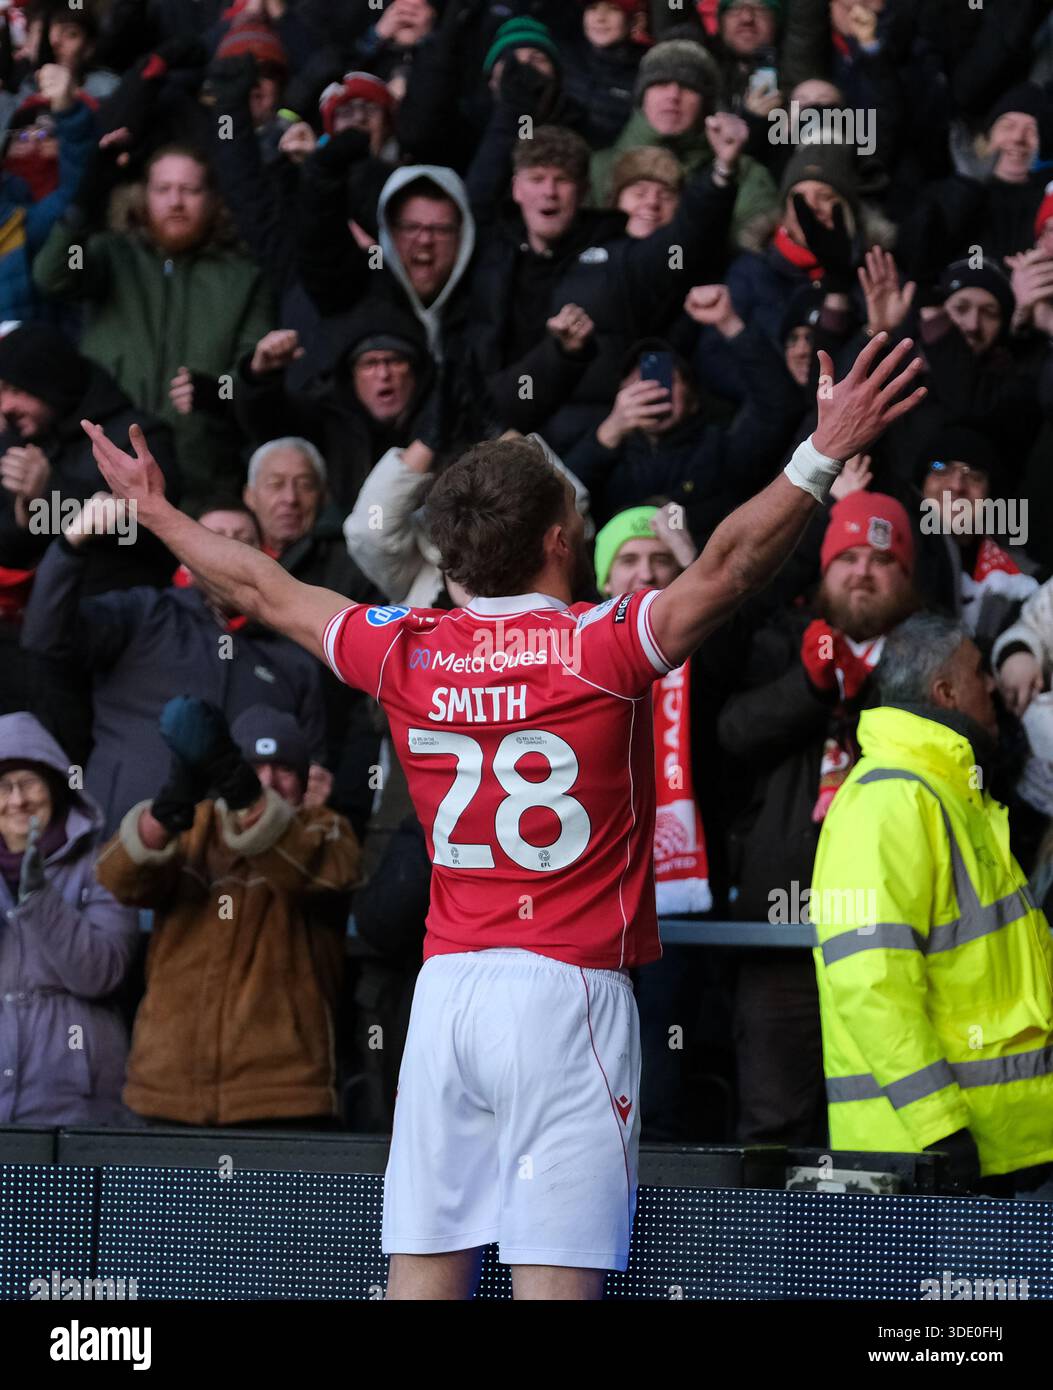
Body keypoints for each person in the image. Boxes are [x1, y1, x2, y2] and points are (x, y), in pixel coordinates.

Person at [79, 325, 926, 1298]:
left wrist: (158, 511)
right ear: (562, 538)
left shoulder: (405, 644)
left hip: (447, 997)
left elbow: (263, 587)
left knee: (422, 1283)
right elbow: (729, 565)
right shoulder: (602, 644)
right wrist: (821, 456)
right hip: (565, 994)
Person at [811, 612, 1053, 1197]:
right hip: (928, 1165)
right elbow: (873, 983)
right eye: (978, 672)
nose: (993, 685)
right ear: (944, 692)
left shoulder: (947, 793)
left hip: (994, 1150)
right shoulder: (890, 800)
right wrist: (940, 1132)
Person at [718, 490, 919, 1144]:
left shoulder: (934, 653)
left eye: (881, 558)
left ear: (907, 577)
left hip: (897, 936)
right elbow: (728, 738)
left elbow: (978, 752)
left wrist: (869, 702)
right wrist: (807, 689)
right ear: (823, 568)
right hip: (779, 927)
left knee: (896, 1137)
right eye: (847, 556)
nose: (861, 570)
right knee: (772, 1133)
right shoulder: (777, 638)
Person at [96, 699, 362, 1128]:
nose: (268, 780)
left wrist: (244, 792)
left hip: (284, 1097)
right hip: (165, 1092)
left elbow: (325, 873)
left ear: (302, 779)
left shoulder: (324, 828)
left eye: (284, 770)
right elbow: (117, 877)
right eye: (253, 766)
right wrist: (168, 807)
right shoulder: (196, 827)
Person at [21, 495, 326, 835]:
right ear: (184, 559)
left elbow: (312, 760)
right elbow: (45, 636)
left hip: (240, 867)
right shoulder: (144, 613)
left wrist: (315, 787)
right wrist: (72, 543)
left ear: (267, 558)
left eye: (243, 540)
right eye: (213, 538)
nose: (229, 550)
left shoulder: (293, 655)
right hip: (121, 850)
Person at [32, 141, 275, 504]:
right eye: (163, 189)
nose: (176, 202)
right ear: (144, 196)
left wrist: (216, 392)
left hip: (200, 483)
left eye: (190, 190)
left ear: (212, 200)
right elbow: (52, 276)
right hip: (104, 477)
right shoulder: (110, 255)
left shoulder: (243, 278)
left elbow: (253, 378)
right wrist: (82, 207)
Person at [0, 711, 139, 1126]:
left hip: (72, 1097)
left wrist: (40, 899)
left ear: (56, 787)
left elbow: (100, 972)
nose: (17, 799)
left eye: (29, 783)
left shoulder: (103, 864)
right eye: (3, 786)